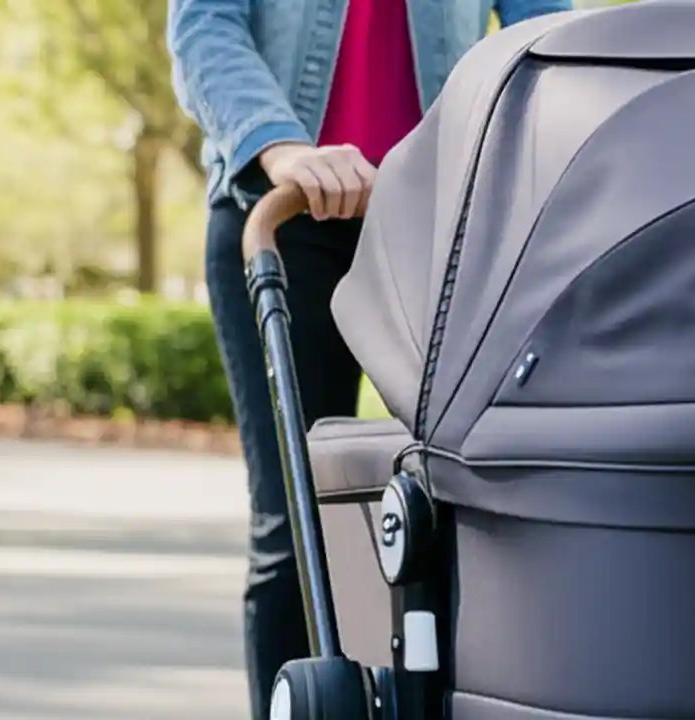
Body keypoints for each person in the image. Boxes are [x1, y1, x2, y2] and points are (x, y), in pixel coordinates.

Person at [166, 1, 571, 717]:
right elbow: (205, 26)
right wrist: (278, 144)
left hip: (435, 216)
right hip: (283, 208)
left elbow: (546, 36)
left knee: (456, 501)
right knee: (291, 528)